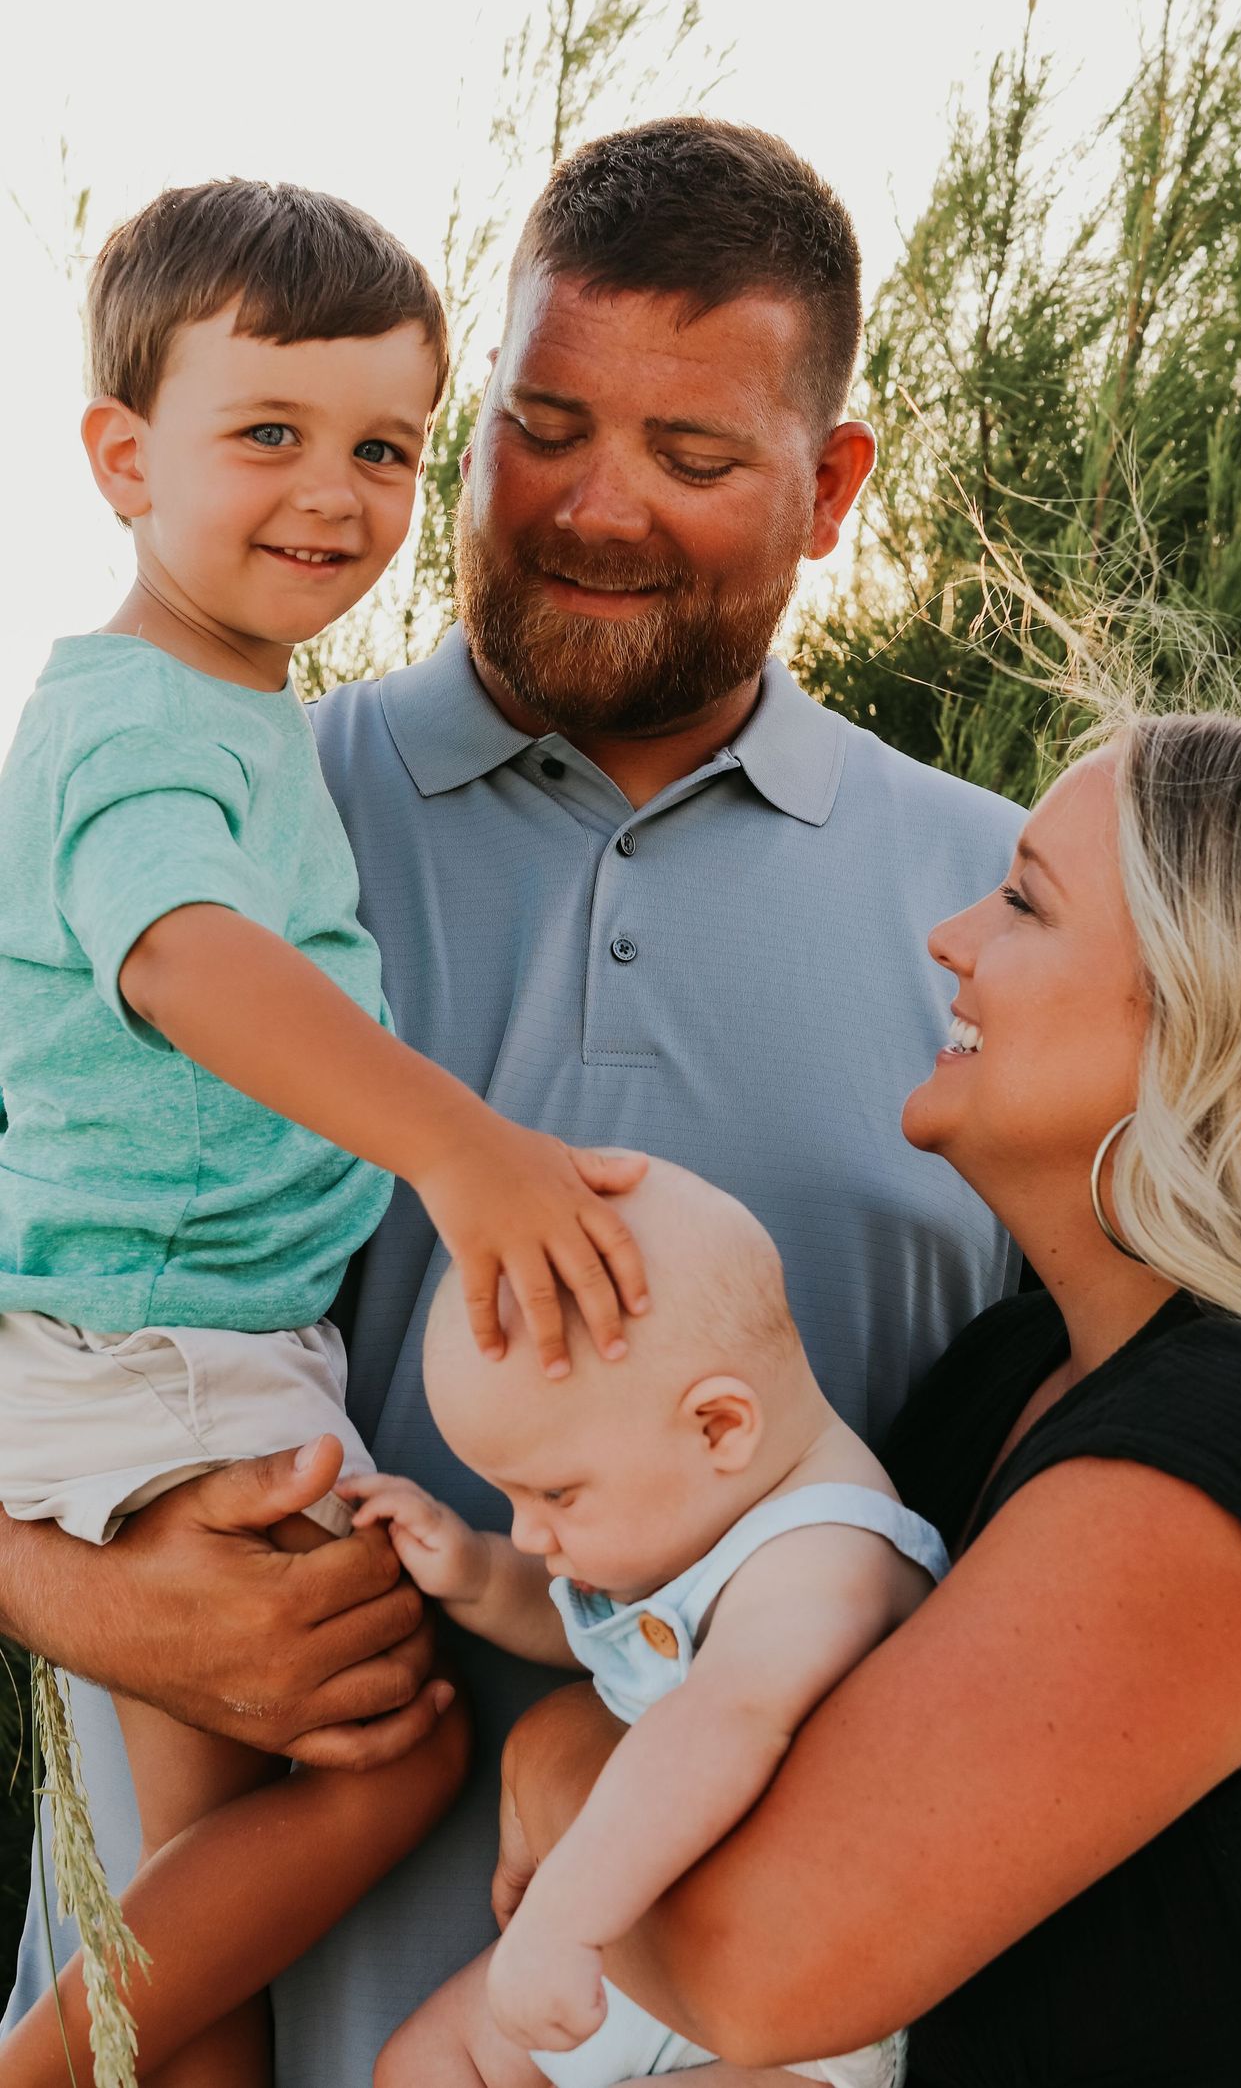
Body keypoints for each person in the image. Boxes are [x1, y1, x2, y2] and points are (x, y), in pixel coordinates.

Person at [2, 121, 1024, 2085]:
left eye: (695, 458)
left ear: (833, 491)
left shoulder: (1005, 927)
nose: (595, 508)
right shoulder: (218, 825)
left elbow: (1072, 1502)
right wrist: (54, 1577)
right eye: (541, 426)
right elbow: (46, 1270)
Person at [500, 712, 1241, 2086]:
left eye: (1025, 899)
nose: (951, 936)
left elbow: (766, 1961)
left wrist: (559, 1763)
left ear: (1215, 1016)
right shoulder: (1005, 1374)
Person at [0, 176, 661, 2088]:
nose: (334, 495)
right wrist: (465, 1150)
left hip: (177, 1347)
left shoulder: (222, 712)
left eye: (386, 447)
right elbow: (185, 960)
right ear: (123, 457)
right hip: (167, 1354)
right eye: (266, 435)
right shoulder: (146, 733)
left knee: (203, 1893)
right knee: (392, 1758)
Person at [348, 1159, 945, 2088]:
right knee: (426, 2063)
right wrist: (472, 1571)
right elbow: (606, 1635)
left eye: (553, 1492)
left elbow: (722, 1721)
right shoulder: (712, 1520)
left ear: (718, 1427)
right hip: (647, 1945)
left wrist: (566, 1918)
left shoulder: (826, 1555)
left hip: (806, 2026)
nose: (529, 1530)